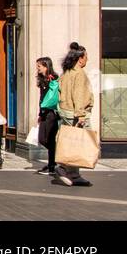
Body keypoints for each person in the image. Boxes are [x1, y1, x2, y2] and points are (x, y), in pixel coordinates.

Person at [54, 42, 94, 187]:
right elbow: (79, 95)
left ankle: (74, 174)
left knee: (71, 141)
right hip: (75, 113)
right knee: (78, 143)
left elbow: (60, 92)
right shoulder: (79, 74)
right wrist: (81, 114)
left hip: (66, 111)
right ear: (80, 58)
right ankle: (64, 168)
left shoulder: (67, 72)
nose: (87, 60)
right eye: (86, 57)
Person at [35, 57, 61, 175]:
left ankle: (52, 165)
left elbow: (52, 97)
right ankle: (53, 163)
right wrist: (40, 114)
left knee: (49, 139)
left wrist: (52, 80)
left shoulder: (53, 78)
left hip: (52, 113)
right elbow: (42, 99)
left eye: (39, 66)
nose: (37, 68)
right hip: (45, 113)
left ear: (46, 66)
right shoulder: (42, 79)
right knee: (42, 139)